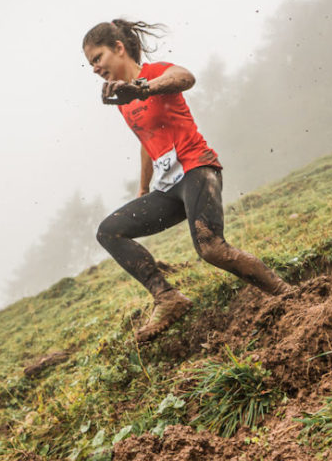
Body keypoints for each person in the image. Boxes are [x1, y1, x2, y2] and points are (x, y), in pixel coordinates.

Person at [82, 19, 291, 341]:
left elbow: (186, 77)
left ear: (119, 48)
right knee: (109, 232)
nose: (95, 68)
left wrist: (141, 88)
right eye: (90, 63)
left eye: (98, 58)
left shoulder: (156, 74)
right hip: (168, 188)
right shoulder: (122, 102)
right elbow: (146, 140)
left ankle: (289, 295)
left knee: (211, 249)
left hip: (198, 169)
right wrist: (142, 188)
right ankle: (168, 298)